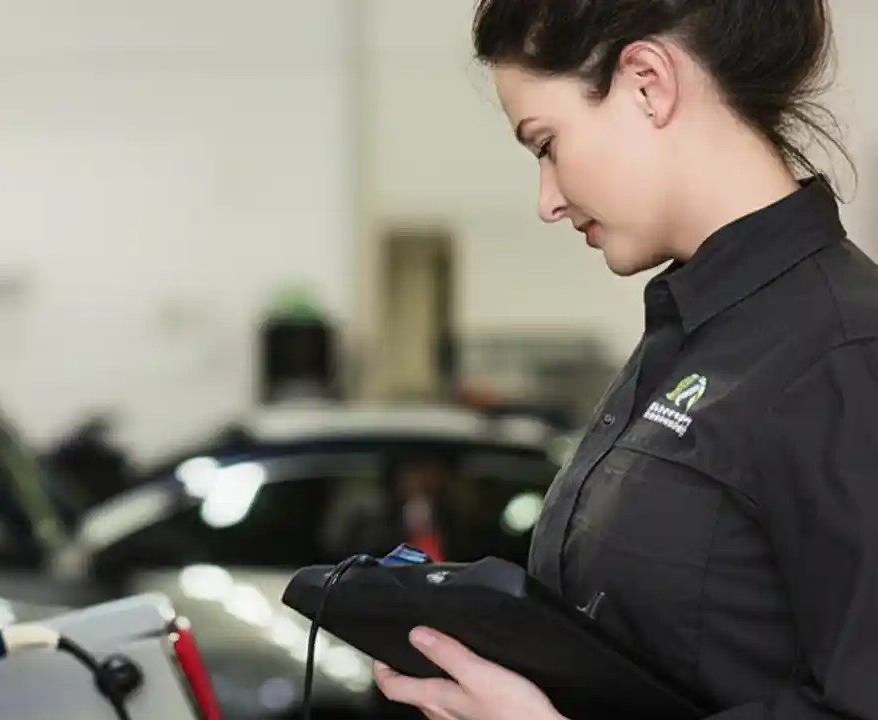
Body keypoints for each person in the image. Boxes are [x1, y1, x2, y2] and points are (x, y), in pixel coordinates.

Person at [373, 1, 878, 718]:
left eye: (546, 145)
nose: (548, 201)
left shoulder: (845, 355)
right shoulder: (688, 336)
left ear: (647, 81)